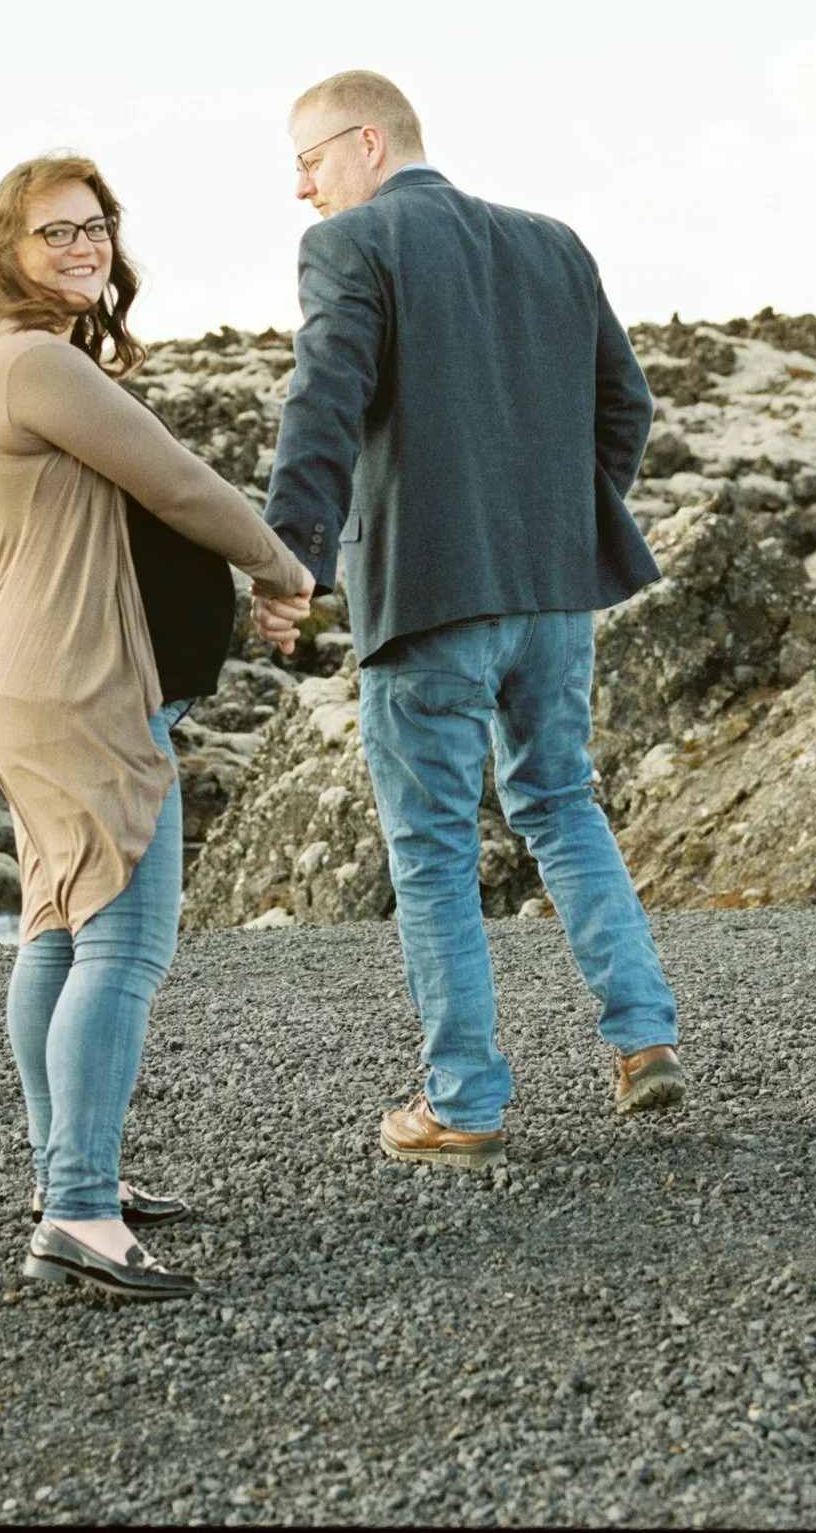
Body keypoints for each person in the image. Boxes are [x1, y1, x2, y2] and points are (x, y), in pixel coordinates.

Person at [256, 71, 685, 1171]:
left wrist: (288, 561)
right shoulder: (551, 243)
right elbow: (624, 405)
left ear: (366, 142)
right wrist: (557, 525)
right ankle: (644, 1040)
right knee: (561, 802)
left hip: (430, 594)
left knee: (435, 846)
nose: (298, 183)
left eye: (308, 157)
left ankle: (464, 1101)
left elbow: (323, 403)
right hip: (553, 595)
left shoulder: (352, 246)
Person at [0, 153, 314, 1299]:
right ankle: (79, 1214)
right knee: (122, 938)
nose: (82, 246)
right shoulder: (33, 363)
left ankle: (72, 1174)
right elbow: (177, 481)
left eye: (95, 226)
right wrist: (278, 566)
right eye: (54, 231)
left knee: (58, 924)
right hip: (75, 684)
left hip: (33, 675)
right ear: (6, 250)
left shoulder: (6, 359)